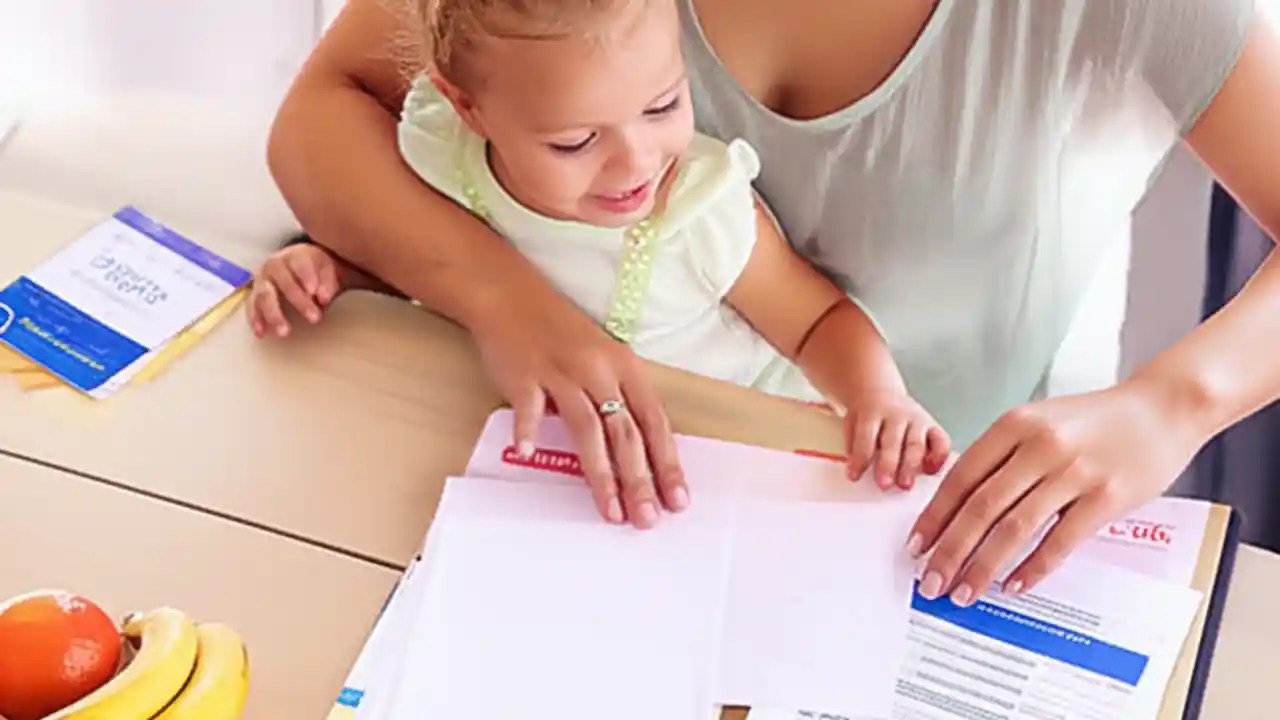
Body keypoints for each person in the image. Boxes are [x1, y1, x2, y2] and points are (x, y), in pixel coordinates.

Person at [265, 0, 1280, 607]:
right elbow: (328, 108)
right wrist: (506, 302)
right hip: (555, 474)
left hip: (922, 531)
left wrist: (1173, 400)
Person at [250, 0, 952, 528]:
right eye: (576, 141)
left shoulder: (696, 211)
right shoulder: (438, 153)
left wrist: (878, 398)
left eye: (664, 105)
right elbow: (410, 266)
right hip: (530, 467)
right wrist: (329, 271)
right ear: (469, 109)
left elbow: (819, 319)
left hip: (717, 467)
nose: (636, 163)